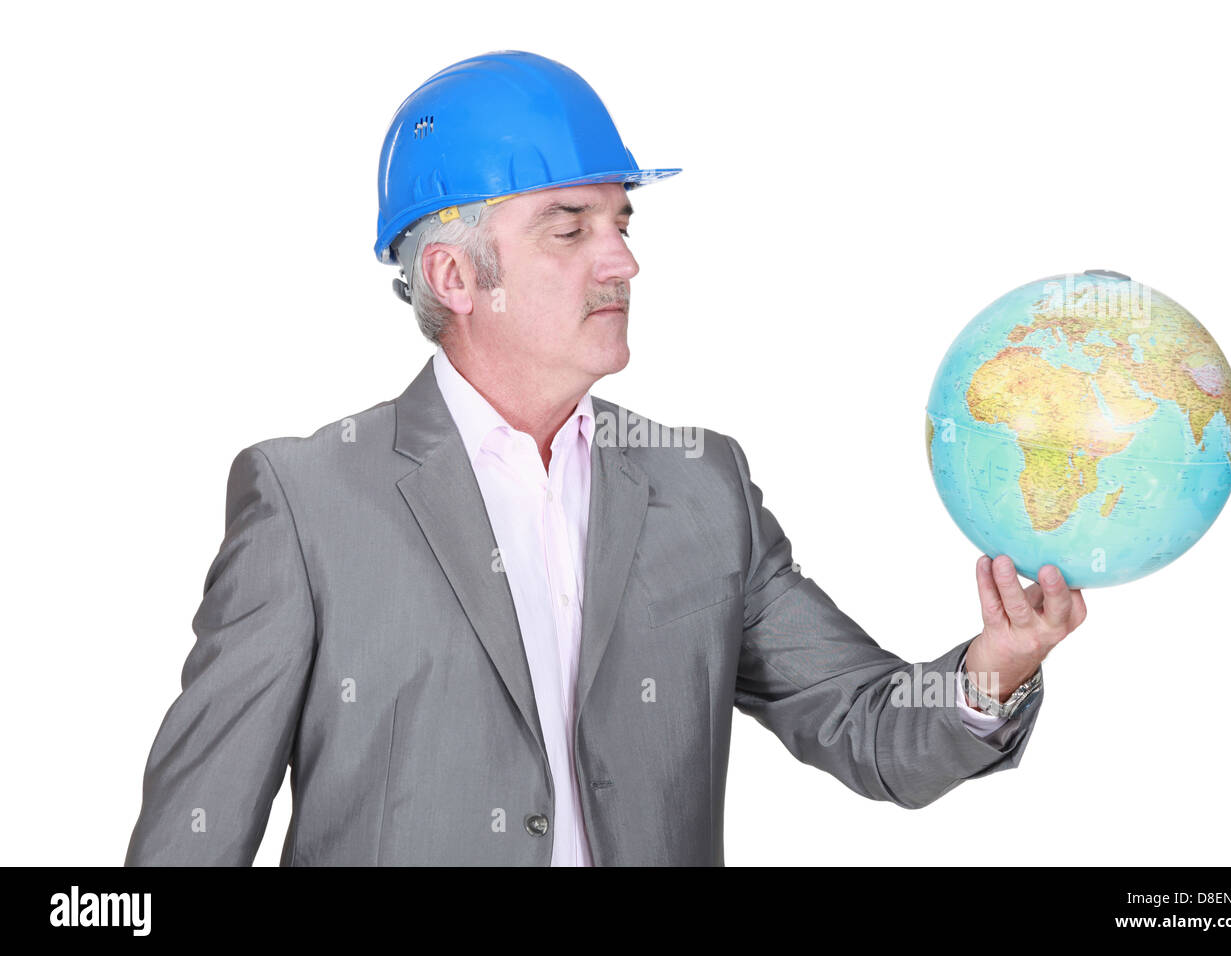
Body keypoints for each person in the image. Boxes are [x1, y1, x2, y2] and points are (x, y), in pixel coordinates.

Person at [124, 50, 1086, 867]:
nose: (622, 262)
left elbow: (871, 730)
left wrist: (993, 668)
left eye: (621, 223)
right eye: (570, 228)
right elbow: (191, 837)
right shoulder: (309, 500)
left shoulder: (699, 486)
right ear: (456, 277)